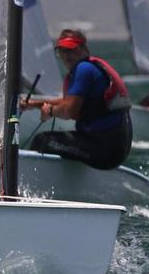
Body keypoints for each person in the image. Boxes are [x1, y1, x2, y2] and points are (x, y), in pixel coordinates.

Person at [20, 29, 132, 170]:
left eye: (71, 50)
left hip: (105, 149)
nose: (66, 55)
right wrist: (34, 104)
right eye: (62, 51)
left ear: (84, 50)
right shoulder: (83, 70)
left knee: (42, 141)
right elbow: (67, 102)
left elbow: (69, 110)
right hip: (110, 147)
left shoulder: (84, 69)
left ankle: (31, 180)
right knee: (56, 141)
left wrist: (50, 111)